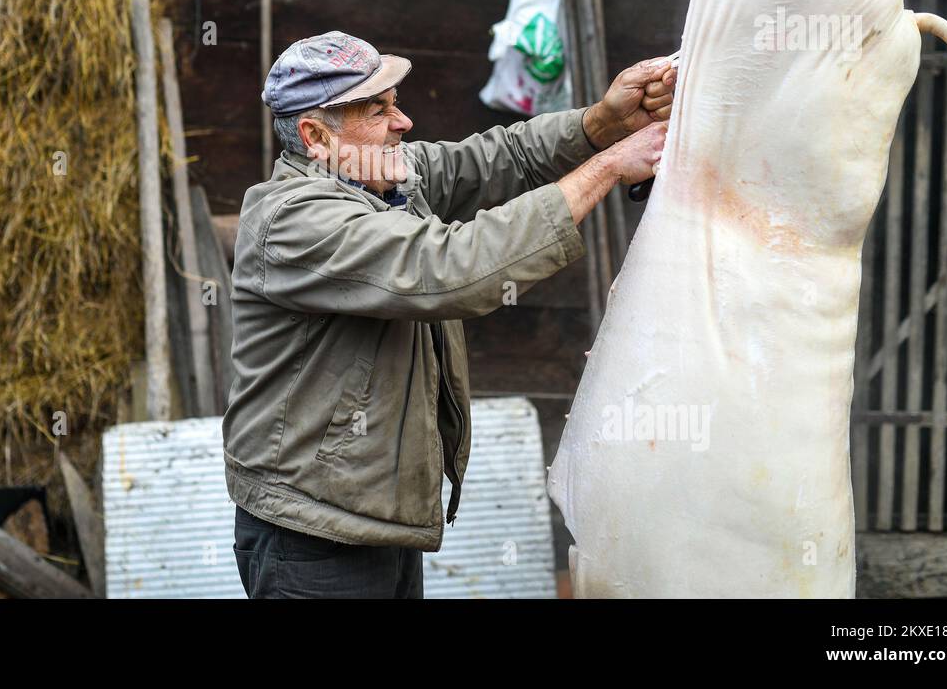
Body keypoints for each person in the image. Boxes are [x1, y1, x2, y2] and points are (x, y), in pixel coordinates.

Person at [223, 30, 676, 598]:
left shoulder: (379, 177)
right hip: (312, 535)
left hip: (367, 519)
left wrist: (602, 124)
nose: (403, 122)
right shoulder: (293, 221)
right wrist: (607, 167)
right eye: (377, 109)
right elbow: (450, 268)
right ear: (316, 137)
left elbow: (495, 160)